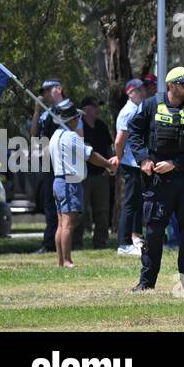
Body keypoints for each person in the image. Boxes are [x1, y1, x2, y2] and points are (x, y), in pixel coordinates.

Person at [127, 66, 184, 292]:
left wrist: (176, 164)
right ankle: (147, 282)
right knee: (153, 231)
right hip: (158, 181)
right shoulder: (151, 105)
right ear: (171, 86)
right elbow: (133, 132)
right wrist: (143, 159)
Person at [49, 99, 117, 267]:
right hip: (69, 181)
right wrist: (109, 165)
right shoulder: (71, 136)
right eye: (77, 117)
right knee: (68, 224)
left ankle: (60, 260)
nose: (79, 120)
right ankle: (66, 260)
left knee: (61, 223)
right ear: (72, 119)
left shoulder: (55, 135)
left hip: (59, 180)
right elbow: (91, 155)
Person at [76, 97, 115, 250]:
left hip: (101, 176)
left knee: (103, 211)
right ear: (85, 109)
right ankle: (76, 243)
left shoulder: (101, 126)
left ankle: (101, 242)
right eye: (93, 106)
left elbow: (108, 148)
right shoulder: (79, 127)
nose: (97, 109)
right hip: (83, 176)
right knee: (80, 211)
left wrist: (108, 166)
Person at [114, 78, 147, 256]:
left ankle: (133, 239)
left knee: (135, 202)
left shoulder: (136, 109)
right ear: (130, 92)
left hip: (135, 163)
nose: (143, 92)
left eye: (143, 89)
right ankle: (123, 243)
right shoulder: (128, 112)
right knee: (129, 203)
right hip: (129, 163)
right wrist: (119, 159)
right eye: (138, 90)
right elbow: (119, 140)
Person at [31, 80, 63, 253]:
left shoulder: (65, 109)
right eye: (43, 92)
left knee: (63, 204)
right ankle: (50, 242)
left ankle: (65, 241)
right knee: (49, 203)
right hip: (47, 162)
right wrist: (37, 110)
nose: (44, 94)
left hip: (62, 163)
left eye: (47, 90)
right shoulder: (45, 114)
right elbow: (34, 134)